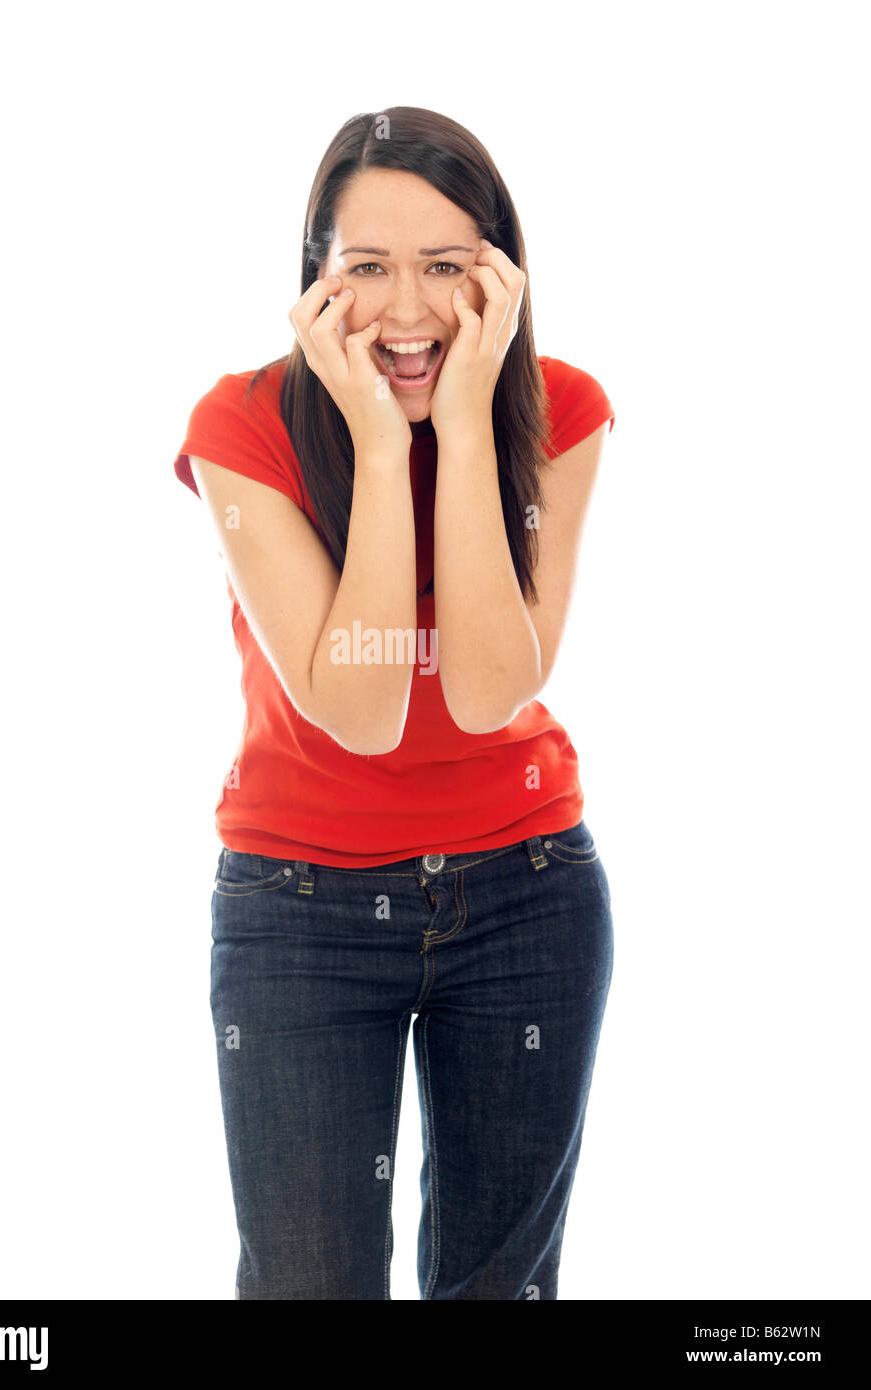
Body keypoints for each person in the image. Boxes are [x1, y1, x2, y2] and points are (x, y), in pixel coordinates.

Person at [171, 106, 616, 1301]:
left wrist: (463, 421)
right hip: (297, 908)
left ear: (501, 274)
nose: (409, 311)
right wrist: (379, 443)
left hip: (525, 898)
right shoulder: (241, 428)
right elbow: (356, 707)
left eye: (446, 266)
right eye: (366, 268)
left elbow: (484, 691)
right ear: (315, 281)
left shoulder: (558, 413)